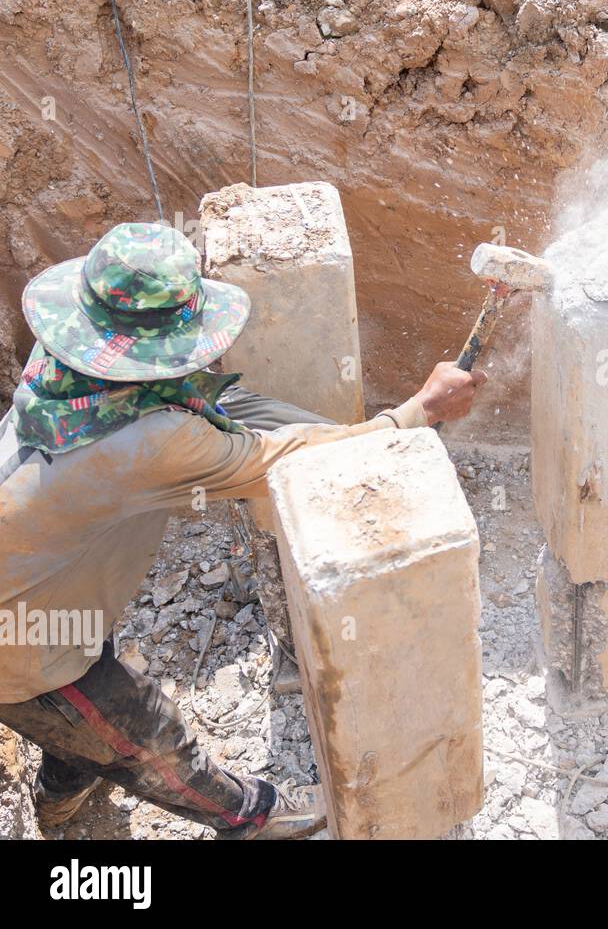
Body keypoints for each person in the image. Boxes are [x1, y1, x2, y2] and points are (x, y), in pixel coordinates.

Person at [0, 222, 485, 839]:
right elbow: (287, 462)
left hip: (46, 588)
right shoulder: (154, 442)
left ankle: (61, 796)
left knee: (82, 733)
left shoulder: (67, 372)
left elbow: (224, 415)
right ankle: (250, 816)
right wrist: (420, 411)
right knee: (144, 737)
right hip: (21, 649)